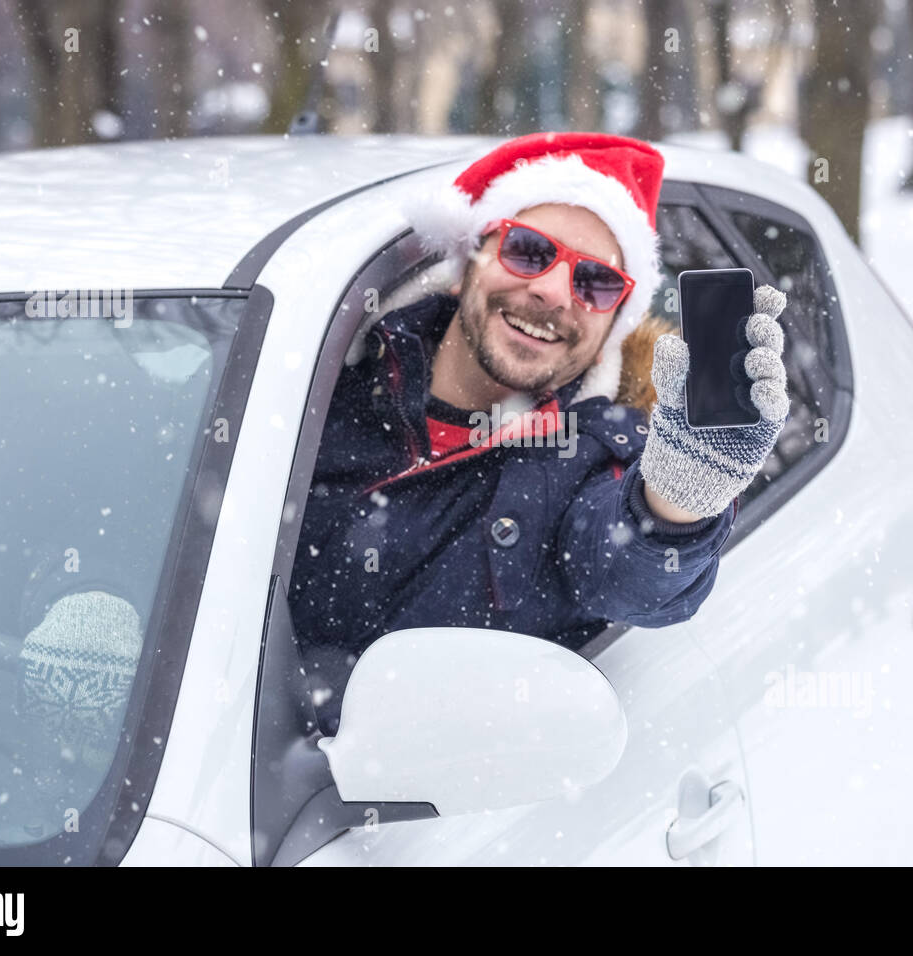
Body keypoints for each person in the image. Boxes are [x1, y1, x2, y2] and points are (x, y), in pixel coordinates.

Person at [289, 132, 790, 721]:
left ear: (614, 327)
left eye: (595, 283)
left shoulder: (599, 458)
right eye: (529, 251)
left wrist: (679, 496)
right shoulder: (311, 381)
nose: (553, 293)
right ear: (468, 259)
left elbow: (627, 573)